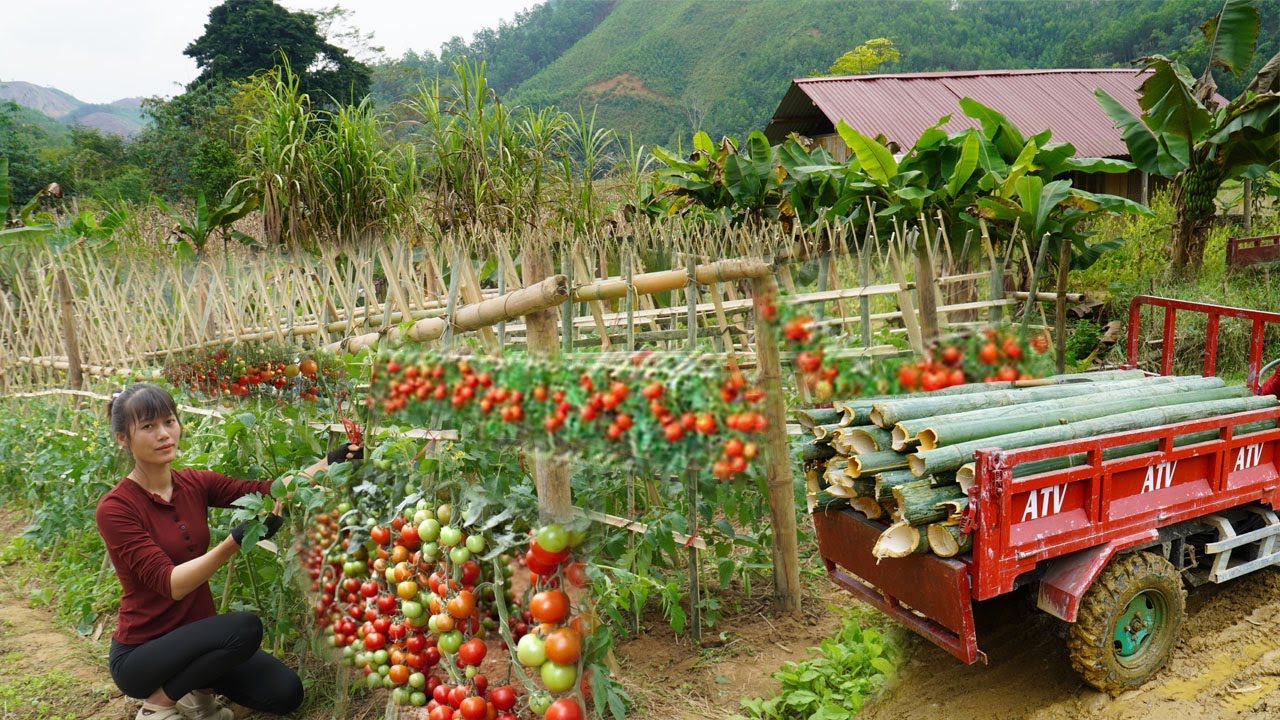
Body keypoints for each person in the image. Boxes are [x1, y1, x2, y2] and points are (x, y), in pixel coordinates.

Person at [96, 383, 360, 720]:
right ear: (123, 438)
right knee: (245, 628)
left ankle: (196, 695)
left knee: (285, 692)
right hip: (144, 653)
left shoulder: (194, 484)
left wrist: (330, 462)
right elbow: (172, 584)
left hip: (203, 641)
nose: (163, 434)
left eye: (169, 421)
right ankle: (157, 706)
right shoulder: (116, 508)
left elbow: (267, 492)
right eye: (148, 426)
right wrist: (234, 541)